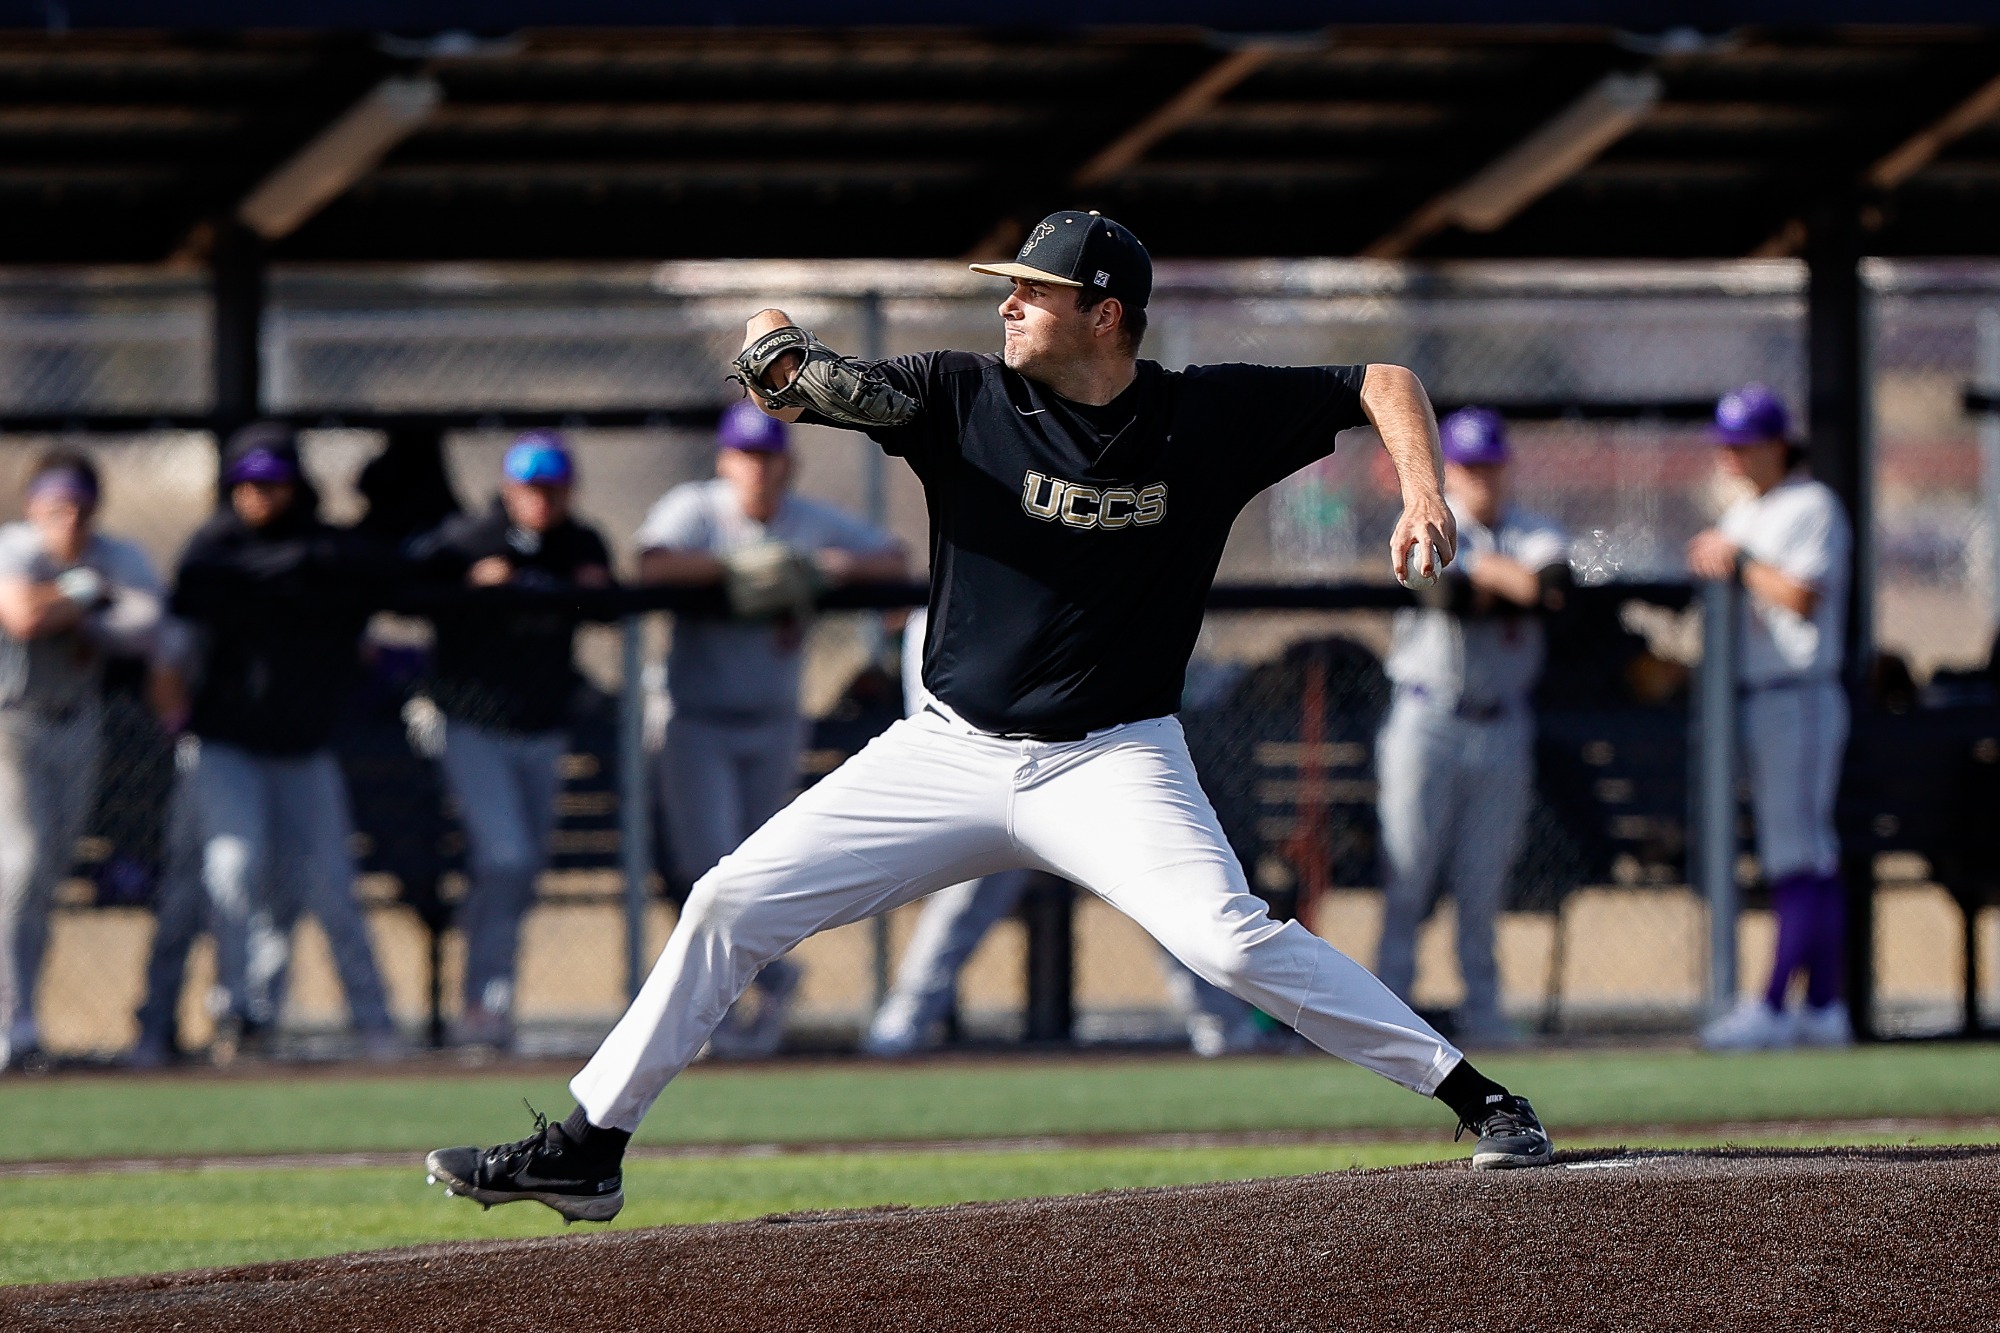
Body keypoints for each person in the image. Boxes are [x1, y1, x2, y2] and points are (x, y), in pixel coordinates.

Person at [427, 209, 1554, 1222]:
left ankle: (1476, 1095)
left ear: (1104, 315)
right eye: (1007, 288)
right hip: (948, 751)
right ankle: (589, 1148)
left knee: (1228, 940)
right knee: (729, 899)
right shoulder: (960, 395)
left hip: (1113, 759)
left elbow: (1383, 378)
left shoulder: (1201, 414)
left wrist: (1423, 489)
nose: (1007, 304)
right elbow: (804, 382)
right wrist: (775, 351)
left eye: (1033, 290)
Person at [863, 607, 1273, 1059]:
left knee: (1159, 895)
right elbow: (941, 738)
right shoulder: (937, 617)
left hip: (1085, 782)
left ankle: (1226, 1029)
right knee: (960, 911)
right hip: (993, 793)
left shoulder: (1077, 599)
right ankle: (901, 1030)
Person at [631, 400, 906, 1057]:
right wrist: (738, 568)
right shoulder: (698, 508)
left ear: (788, 464)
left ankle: (738, 1003)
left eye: (768, 456)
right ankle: (753, 990)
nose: (757, 468)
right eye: (746, 456)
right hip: (697, 721)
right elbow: (651, 563)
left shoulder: (805, 520)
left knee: (759, 872)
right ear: (726, 461)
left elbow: (894, 559)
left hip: (775, 720)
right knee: (707, 871)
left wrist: (821, 565)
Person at [171, 423, 403, 1059]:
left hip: (304, 747)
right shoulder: (213, 549)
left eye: (273, 483)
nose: (260, 495)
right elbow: (190, 601)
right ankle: (238, 1014)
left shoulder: (328, 550)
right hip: (225, 745)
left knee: (330, 886)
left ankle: (375, 1025)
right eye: (248, 483)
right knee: (231, 869)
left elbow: (381, 575)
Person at [1372, 408, 1571, 1050]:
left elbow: (1557, 589)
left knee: (1483, 883)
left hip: (1502, 720)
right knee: (1408, 875)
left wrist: (1486, 574)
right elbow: (1444, 595)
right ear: (1448, 469)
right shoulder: (1425, 520)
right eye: (1469, 465)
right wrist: (1508, 582)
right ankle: (1389, 1015)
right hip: (1426, 717)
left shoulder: (1533, 528)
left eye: (1490, 464)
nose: (1481, 476)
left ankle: (1484, 1014)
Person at [408, 433, 613, 1050]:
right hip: (471, 725)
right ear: (508, 489)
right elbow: (407, 591)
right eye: (531, 489)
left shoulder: (580, 541)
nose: (542, 501)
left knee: (520, 871)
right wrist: (467, 586)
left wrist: (594, 588)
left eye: (553, 490)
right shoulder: (469, 538)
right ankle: (483, 1003)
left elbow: (610, 603)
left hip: (542, 729)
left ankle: (493, 1004)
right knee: (505, 859)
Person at [1690, 385, 1854, 1050]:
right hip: (1760, 695)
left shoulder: (1811, 503)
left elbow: (1801, 596)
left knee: (1800, 852)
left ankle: (1775, 1003)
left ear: (1779, 444)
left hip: (1801, 691)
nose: (1732, 456)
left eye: (1745, 443)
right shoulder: (1745, 510)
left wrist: (1739, 562)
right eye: (1726, 444)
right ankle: (1823, 1004)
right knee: (1805, 851)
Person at [0, 452, 162, 1072]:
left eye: (80, 509)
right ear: (33, 507)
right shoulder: (16, 548)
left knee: (46, 877)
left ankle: (23, 1023)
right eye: (55, 508)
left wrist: (78, 608)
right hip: (13, 724)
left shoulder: (114, 553)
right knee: (20, 869)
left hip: (78, 725)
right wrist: (85, 593)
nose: (68, 521)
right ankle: (11, 1025)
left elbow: (146, 623)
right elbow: (23, 615)